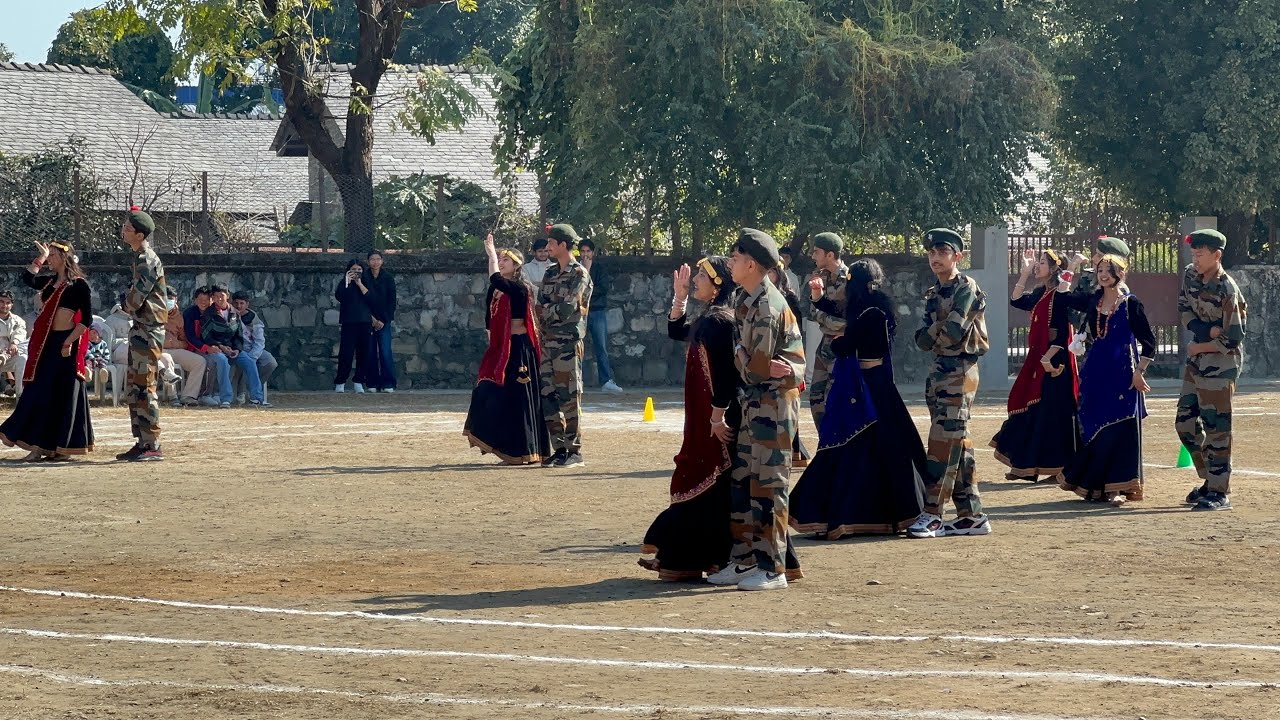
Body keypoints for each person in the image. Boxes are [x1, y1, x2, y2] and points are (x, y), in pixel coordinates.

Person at [790, 259, 928, 539]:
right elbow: (842, 312)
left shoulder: (870, 314)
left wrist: (839, 338)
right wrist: (819, 300)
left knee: (850, 445)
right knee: (886, 450)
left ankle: (844, 514)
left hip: (866, 388)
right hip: (877, 387)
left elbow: (844, 344)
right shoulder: (875, 308)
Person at [707, 228, 805, 591]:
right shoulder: (746, 298)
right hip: (755, 403)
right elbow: (748, 360)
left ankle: (773, 567)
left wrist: (743, 359)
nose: (730, 264)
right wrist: (744, 358)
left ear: (751, 263)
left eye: (734, 259)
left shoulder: (766, 305)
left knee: (770, 486)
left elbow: (756, 367)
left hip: (774, 406)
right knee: (743, 482)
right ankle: (744, 559)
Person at [639, 258, 740, 581]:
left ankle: (694, 557)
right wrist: (679, 297)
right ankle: (678, 555)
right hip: (703, 418)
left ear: (718, 284)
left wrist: (717, 418)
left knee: (710, 481)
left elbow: (725, 376)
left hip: (716, 419)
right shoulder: (709, 319)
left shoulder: (722, 321)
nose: (695, 279)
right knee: (697, 478)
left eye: (701, 275)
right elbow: (675, 331)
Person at [908, 228, 992, 539]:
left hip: (960, 371)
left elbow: (954, 332)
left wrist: (936, 331)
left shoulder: (965, 287)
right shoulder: (934, 294)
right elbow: (920, 340)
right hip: (940, 372)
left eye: (942, 252)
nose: (935, 258)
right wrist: (938, 331)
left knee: (943, 441)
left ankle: (932, 514)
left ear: (958, 256)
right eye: (931, 253)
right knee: (958, 441)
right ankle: (971, 514)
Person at [1054, 255, 1155, 505]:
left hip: (1123, 373)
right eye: (1100, 269)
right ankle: (1095, 486)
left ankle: (1118, 488)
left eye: (1110, 270)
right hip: (1096, 372)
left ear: (1121, 272)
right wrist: (1071, 268)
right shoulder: (1093, 301)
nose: (1104, 274)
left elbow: (1150, 343)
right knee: (1093, 427)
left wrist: (1139, 372)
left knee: (1119, 429)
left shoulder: (1131, 304)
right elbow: (1062, 296)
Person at [990, 249, 1081, 482]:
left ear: (1054, 268)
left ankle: (1057, 467)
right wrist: (1024, 272)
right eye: (1038, 262)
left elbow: (1061, 318)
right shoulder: (1041, 293)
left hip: (1055, 360)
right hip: (1037, 358)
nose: (1038, 266)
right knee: (1026, 403)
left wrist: (1072, 267)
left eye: (1042, 263)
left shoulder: (1059, 293)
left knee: (1052, 413)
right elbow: (1016, 300)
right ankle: (1025, 463)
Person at [0, 241, 94, 461]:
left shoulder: (79, 285)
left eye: (52, 255)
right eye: (48, 255)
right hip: (46, 344)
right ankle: (39, 447)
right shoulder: (51, 282)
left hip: (66, 346)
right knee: (40, 393)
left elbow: (86, 320)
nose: (49, 259)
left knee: (63, 396)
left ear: (64, 258)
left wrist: (68, 342)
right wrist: (39, 258)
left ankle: (61, 448)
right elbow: (28, 279)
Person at [463, 234, 552, 465]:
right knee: (490, 393)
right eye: (499, 259)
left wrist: (491, 253)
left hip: (520, 350)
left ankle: (526, 451)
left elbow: (495, 278)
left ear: (516, 265)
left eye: (506, 260)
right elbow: (488, 318)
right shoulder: (497, 290)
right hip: (502, 350)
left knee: (520, 400)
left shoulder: (520, 288)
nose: (501, 262)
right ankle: (507, 449)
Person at [1178, 229, 1248, 511]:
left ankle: (1219, 492)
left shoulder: (1228, 289)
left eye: (1200, 253)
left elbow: (1232, 337)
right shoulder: (1190, 275)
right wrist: (1206, 330)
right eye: (1193, 253)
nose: (1195, 258)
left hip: (1221, 366)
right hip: (1197, 365)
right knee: (1184, 423)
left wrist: (1200, 347)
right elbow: (1184, 310)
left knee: (1217, 428)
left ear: (1217, 255)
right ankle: (1209, 479)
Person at [537, 224, 593, 468]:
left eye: (551, 243)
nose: (547, 247)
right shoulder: (549, 273)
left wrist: (550, 311)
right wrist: (551, 311)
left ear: (563, 245)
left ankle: (574, 450)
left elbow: (570, 309)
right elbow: (539, 308)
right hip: (548, 343)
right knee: (548, 396)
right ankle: (559, 449)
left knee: (569, 397)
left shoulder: (579, 273)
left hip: (568, 344)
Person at [116, 209, 169, 462]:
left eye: (127, 227)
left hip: (148, 329)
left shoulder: (147, 260)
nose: (123, 230)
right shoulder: (139, 257)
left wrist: (124, 303)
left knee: (145, 386)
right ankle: (141, 440)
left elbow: (135, 300)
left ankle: (152, 443)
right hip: (141, 328)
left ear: (139, 234)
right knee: (134, 386)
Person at [766, 266, 811, 469]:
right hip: (768, 356)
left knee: (789, 408)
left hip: (785, 357)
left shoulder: (788, 298)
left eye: (771, 272)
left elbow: (795, 331)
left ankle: (795, 451)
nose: (768, 276)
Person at [805, 232, 849, 434]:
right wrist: (826, 319)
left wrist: (825, 318)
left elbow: (848, 322)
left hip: (842, 347)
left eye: (816, 252)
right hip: (825, 346)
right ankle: (826, 443)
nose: (813, 256)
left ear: (830, 255)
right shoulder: (819, 277)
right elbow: (813, 312)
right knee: (815, 398)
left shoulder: (850, 280)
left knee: (836, 399)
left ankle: (838, 448)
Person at [200, 285, 269, 409]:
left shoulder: (234, 313)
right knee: (223, 362)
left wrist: (237, 349)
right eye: (215, 297)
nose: (219, 299)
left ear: (228, 296)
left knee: (249, 361)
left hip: (233, 349)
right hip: (216, 348)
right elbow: (206, 336)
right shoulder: (208, 314)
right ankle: (225, 398)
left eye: (221, 296)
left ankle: (257, 398)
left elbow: (239, 335)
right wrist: (220, 346)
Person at [579, 239, 624, 394]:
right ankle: (578, 380)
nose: (585, 255)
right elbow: (577, 290)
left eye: (588, 251)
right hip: (580, 312)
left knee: (601, 347)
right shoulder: (576, 269)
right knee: (578, 347)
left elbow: (602, 288)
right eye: (583, 251)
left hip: (597, 311)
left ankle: (606, 381)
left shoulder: (599, 268)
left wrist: (588, 282)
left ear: (593, 252)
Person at [1065, 235, 1132, 336]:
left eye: (1099, 256)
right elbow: (1068, 304)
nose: (1093, 258)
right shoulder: (1087, 278)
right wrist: (1071, 268)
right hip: (1086, 343)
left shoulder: (1120, 290)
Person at [334, 259, 374, 393]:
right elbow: (340, 296)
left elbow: (370, 298)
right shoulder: (344, 283)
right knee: (346, 353)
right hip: (349, 322)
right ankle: (340, 381)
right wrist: (348, 282)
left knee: (363, 353)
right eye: (353, 270)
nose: (356, 272)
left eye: (359, 270)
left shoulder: (367, 282)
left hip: (365, 322)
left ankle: (359, 381)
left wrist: (359, 283)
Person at [231, 291, 278, 403]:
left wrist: (253, 356)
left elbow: (259, 341)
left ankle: (251, 388)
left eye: (242, 303)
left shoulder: (253, 318)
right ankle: (244, 392)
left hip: (253, 348)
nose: (239, 306)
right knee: (245, 362)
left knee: (270, 362)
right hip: (237, 348)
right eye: (236, 303)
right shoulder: (229, 315)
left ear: (247, 304)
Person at [162, 290, 205, 407]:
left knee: (199, 361)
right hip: (159, 350)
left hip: (175, 349)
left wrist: (174, 344)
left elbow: (185, 341)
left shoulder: (179, 317)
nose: (168, 301)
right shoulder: (153, 314)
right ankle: (173, 397)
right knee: (167, 359)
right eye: (166, 298)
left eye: (171, 298)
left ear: (176, 299)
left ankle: (188, 396)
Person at [363, 250, 397, 393]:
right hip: (368, 319)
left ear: (382, 261)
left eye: (378, 259)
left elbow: (391, 301)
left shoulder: (388, 278)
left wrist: (383, 320)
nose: (375, 262)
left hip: (384, 320)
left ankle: (388, 383)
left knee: (385, 351)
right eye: (372, 259)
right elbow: (362, 300)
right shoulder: (364, 277)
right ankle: (372, 382)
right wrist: (371, 318)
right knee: (369, 351)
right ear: (368, 261)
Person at [0, 290, 28, 397]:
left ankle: (20, 398)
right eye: (1, 302)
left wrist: (14, 343)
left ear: (12, 305)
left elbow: (20, 334)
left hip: (10, 356)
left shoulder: (18, 321)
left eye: (7, 303)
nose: (4, 305)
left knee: (23, 357)